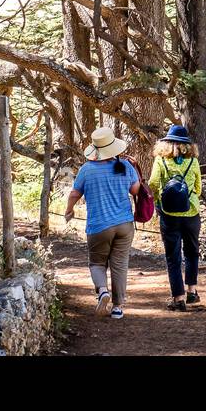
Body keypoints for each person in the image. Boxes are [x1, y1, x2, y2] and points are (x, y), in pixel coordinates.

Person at [64, 126, 140, 320]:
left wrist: (69, 210)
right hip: (124, 224)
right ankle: (117, 307)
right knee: (120, 265)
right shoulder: (125, 166)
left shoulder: (87, 169)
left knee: (97, 262)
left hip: (98, 225)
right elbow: (135, 190)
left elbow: (75, 193)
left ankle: (103, 291)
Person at [148, 124, 202, 312]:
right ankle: (192, 291)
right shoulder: (192, 161)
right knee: (192, 251)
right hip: (192, 212)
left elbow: (153, 184)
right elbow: (198, 188)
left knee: (173, 256)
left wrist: (158, 201)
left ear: (167, 143)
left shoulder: (160, 161)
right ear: (187, 144)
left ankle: (178, 298)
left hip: (169, 214)